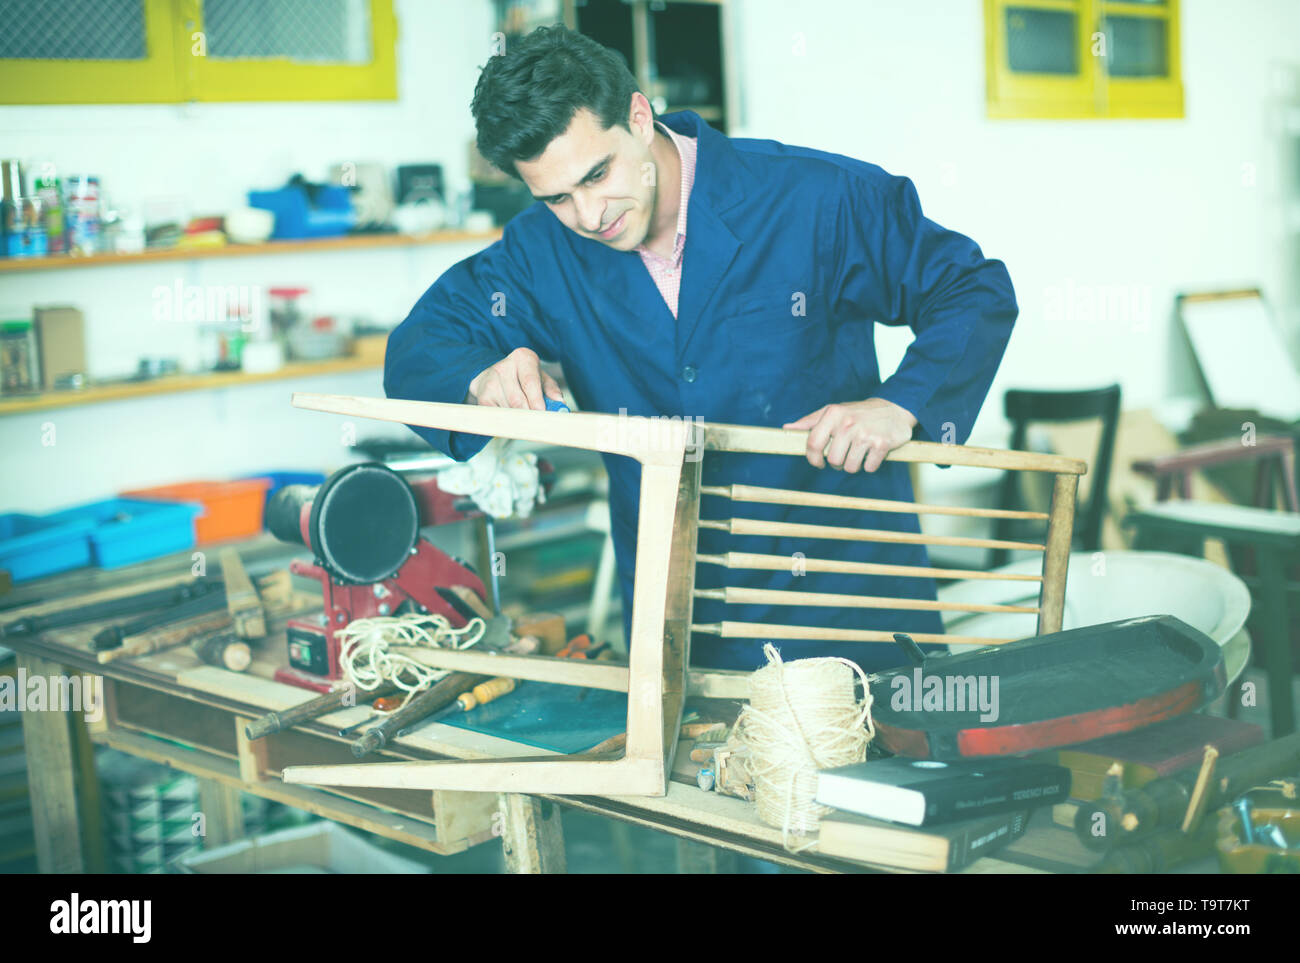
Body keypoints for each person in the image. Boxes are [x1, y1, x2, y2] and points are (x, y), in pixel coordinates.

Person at [385, 25, 1017, 673]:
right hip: (677, 627)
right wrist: (482, 375)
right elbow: (419, 347)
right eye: (557, 198)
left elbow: (971, 289)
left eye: (598, 174)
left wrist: (902, 403)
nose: (589, 214)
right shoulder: (541, 252)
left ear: (638, 115)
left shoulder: (814, 198)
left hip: (848, 607)